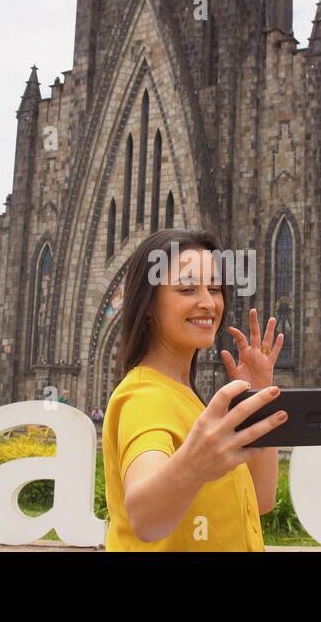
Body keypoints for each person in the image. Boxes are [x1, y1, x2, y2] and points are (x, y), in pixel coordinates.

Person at [102, 229, 287, 551]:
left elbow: (259, 498)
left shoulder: (186, 398)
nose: (208, 303)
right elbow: (145, 518)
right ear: (147, 304)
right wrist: (192, 466)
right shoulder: (145, 397)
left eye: (214, 288)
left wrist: (258, 397)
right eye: (187, 289)